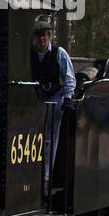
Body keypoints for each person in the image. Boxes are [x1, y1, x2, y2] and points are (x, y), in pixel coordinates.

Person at [30, 16, 76, 195]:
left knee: (50, 138)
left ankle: (46, 176)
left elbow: (68, 76)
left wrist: (67, 98)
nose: (42, 39)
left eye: (45, 35)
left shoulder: (59, 53)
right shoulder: (31, 54)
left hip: (55, 97)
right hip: (37, 96)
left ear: (49, 36)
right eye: (39, 35)